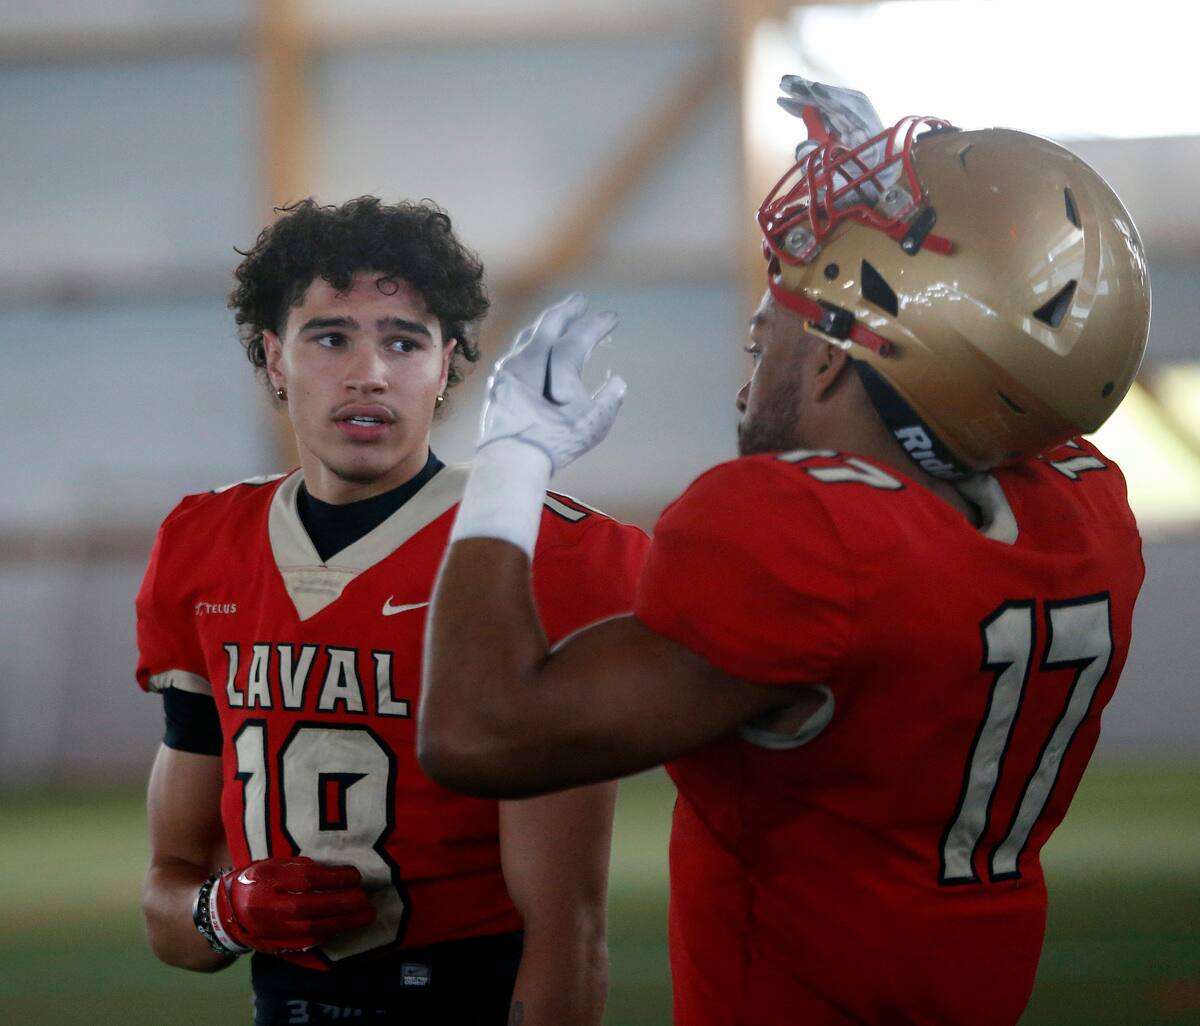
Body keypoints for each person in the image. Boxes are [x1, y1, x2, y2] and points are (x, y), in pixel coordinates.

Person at [418, 79, 1152, 1025]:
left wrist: (512, 456)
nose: (755, 350)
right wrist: (907, 209)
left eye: (776, 328)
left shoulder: (812, 543)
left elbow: (478, 730)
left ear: (838, 357)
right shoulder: (1087, 512)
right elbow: (1021, 352)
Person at [135, 196, 648, 1025]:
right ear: (275, 357)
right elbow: (170, 895)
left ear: (447, 365)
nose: (368, 372)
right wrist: (223, 912)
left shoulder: (542, 548)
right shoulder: (203, 543)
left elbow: (567, 934)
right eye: (332, 337)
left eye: (403, 341)